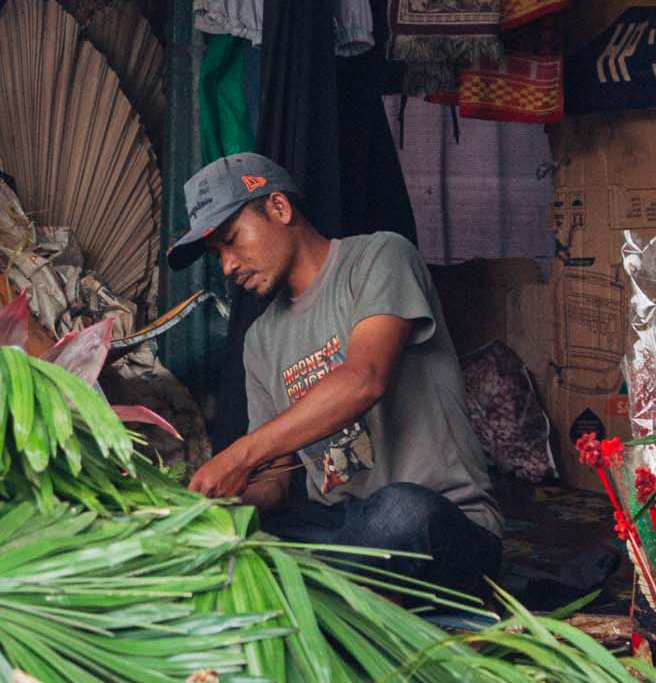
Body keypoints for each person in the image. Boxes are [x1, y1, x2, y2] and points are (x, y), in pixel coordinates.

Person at [170, 153, 503, 597]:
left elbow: (365, 378)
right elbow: (275, 482)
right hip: (344, 530)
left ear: (279, 208)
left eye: (231, 240)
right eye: (218, 255)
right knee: (248, 549)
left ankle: (316, 595)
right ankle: (325, 594)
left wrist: (239, 456)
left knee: (398, 513)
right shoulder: (260, 340)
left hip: (440, 522)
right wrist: (213, 504)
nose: (227, 266)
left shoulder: (380, 257)